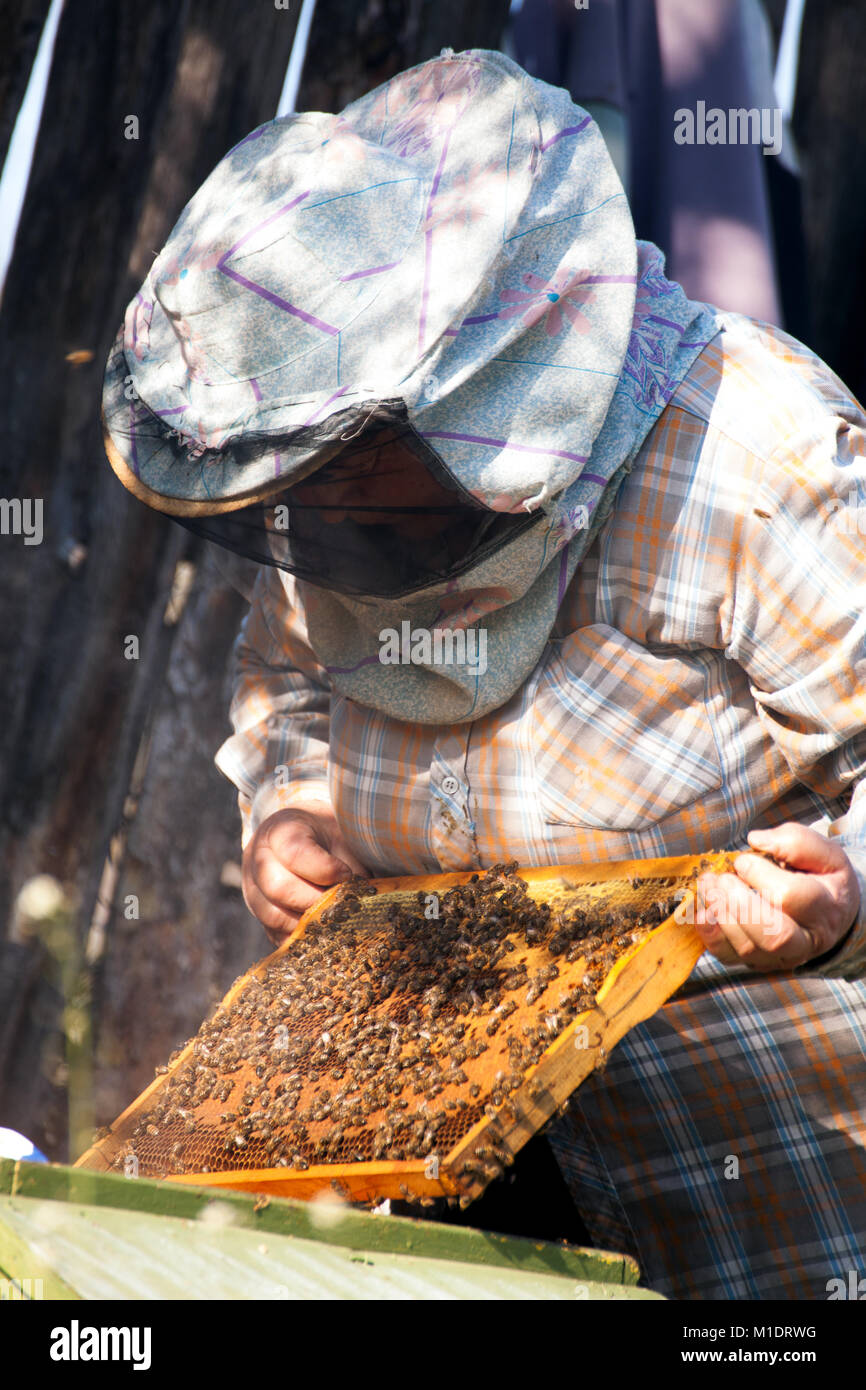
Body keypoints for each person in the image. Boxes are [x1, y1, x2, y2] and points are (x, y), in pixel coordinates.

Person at [101, 49, 866, 1300]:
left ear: (484, 390)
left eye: (352, 477)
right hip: (456, 1222)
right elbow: (284, 680)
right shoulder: (329, 491)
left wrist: (838, 901)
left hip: (751, 1204)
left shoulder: (758, 458)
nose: (327, 518)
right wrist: (285, 811)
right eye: (304, 496)